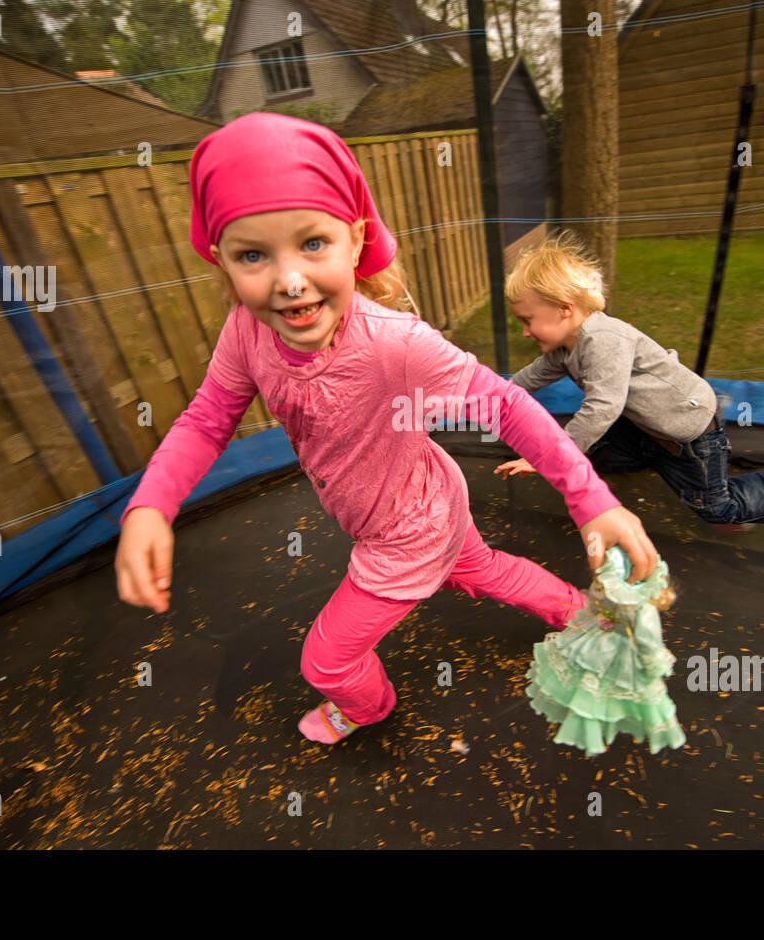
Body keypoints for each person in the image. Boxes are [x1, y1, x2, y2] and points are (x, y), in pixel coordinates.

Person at [114, 113, 660, 745]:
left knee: (327, 659)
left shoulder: (393, 344)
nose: (289, 280)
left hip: (407, 531)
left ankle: (367, 707)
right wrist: (152, 504)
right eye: (254, 255)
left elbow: (506, 406)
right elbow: (207, 417)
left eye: (312, 243)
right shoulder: (246, 331)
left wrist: (590, 499)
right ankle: (581, 612)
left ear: (354, 239)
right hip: (429, 498)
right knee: (481, 569)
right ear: (222, 262)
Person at [494, 232, 764, 527]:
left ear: (564, 310)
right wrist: (479, 392)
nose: (525, 332)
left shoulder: (603, 340)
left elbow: (602, 408)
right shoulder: (564, 348)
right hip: (643, 425)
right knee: (600, 453)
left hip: (687, 433)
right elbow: (527, 380)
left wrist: (546, 455)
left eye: (527, 320)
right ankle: (636, 463)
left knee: (717, 507)